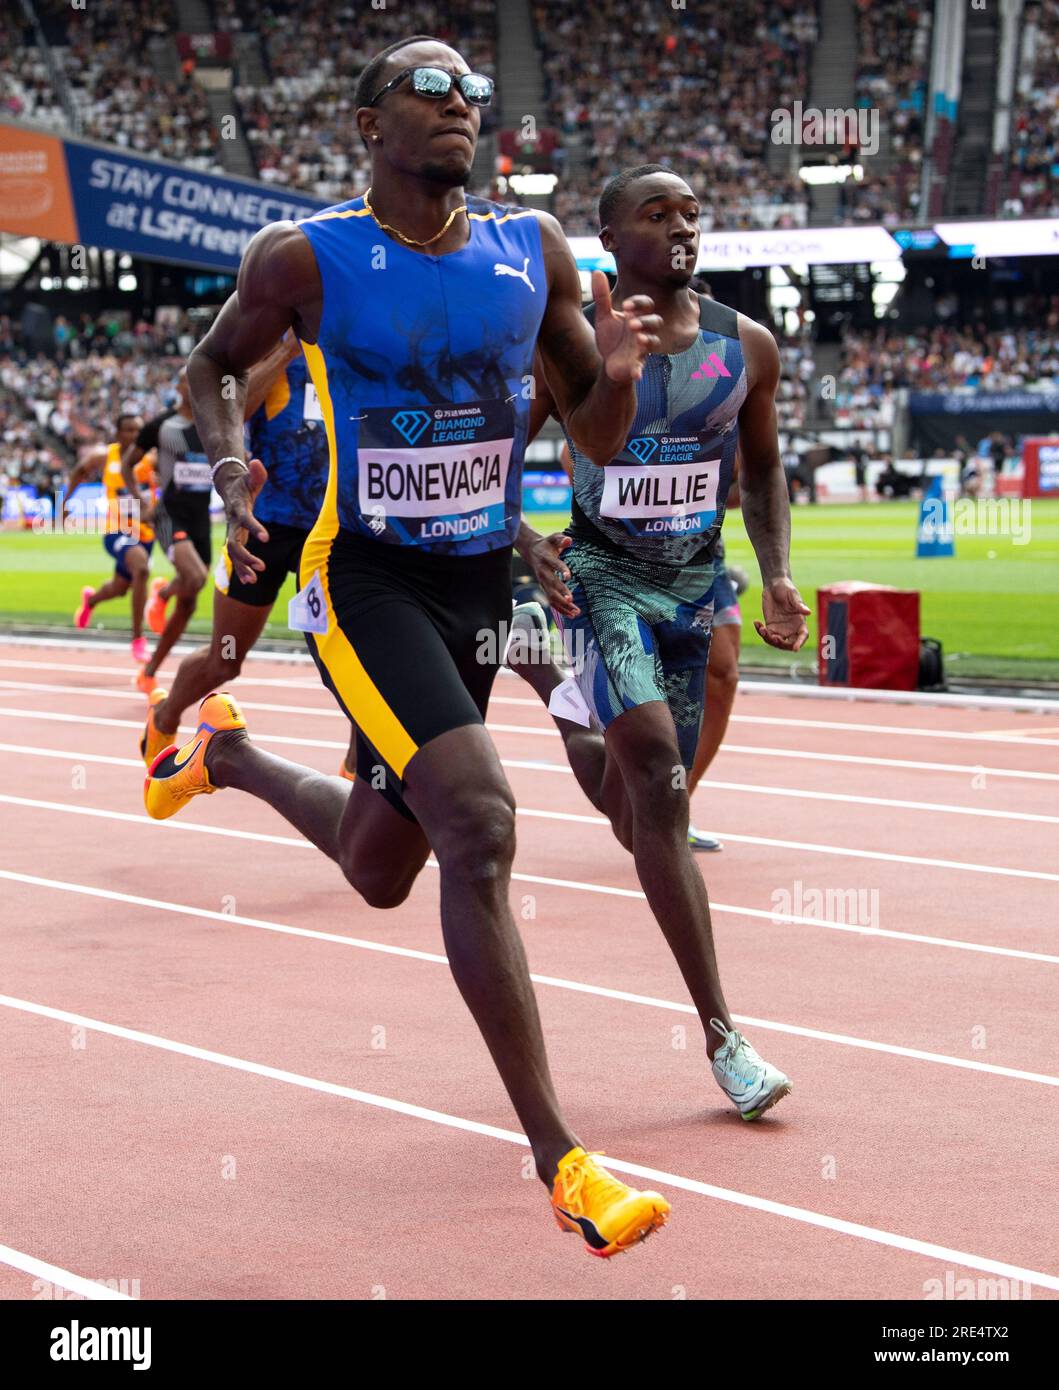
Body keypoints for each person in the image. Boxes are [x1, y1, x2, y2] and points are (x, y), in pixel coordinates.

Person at [143, 35, 674, 1257]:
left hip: (476, 576)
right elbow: (207, 368)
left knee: (385, 864)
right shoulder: (306, 258)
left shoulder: (528, 250)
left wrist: (626, 381)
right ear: (368, 122)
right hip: (362, 575)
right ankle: (567, 1162)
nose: (459, 110)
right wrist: (227, 460)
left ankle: (224, 755)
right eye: (429, 91)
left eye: (472, 94)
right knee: (478, 823)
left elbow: (593, 433)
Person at [511, 164, 809, 1119]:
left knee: (639, 809)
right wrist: (522, 538)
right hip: (602, 580)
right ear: (608, 241)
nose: (680, 227)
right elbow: (492, 453)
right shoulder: (572, 347)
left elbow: (761, 472)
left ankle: (544, 677)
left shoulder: (744, 346)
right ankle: (725, 1037)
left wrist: (776, 573)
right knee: (650, 775)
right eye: (655, 213)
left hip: (693, 584)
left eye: (690, 212)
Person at [140, 334, 357, 777]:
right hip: (264, 525)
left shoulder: (349, 347)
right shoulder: (270, 351)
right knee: (226, 659)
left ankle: (357, 777)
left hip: (334, 525)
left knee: (360, 655)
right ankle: (163, 720)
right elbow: (233, 409)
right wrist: (284, 350)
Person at [67, 413, 156, 663]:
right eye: (128, 430)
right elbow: (78, 472)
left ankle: (91, 600)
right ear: (118, 434)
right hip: (117, 531)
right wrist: (65, 503)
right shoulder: (106, 456)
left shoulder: (151, 458)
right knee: (141, 569)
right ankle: (138, 639)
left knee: (120, 588)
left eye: (138, 430)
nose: (134, 435)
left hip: (146, 533)